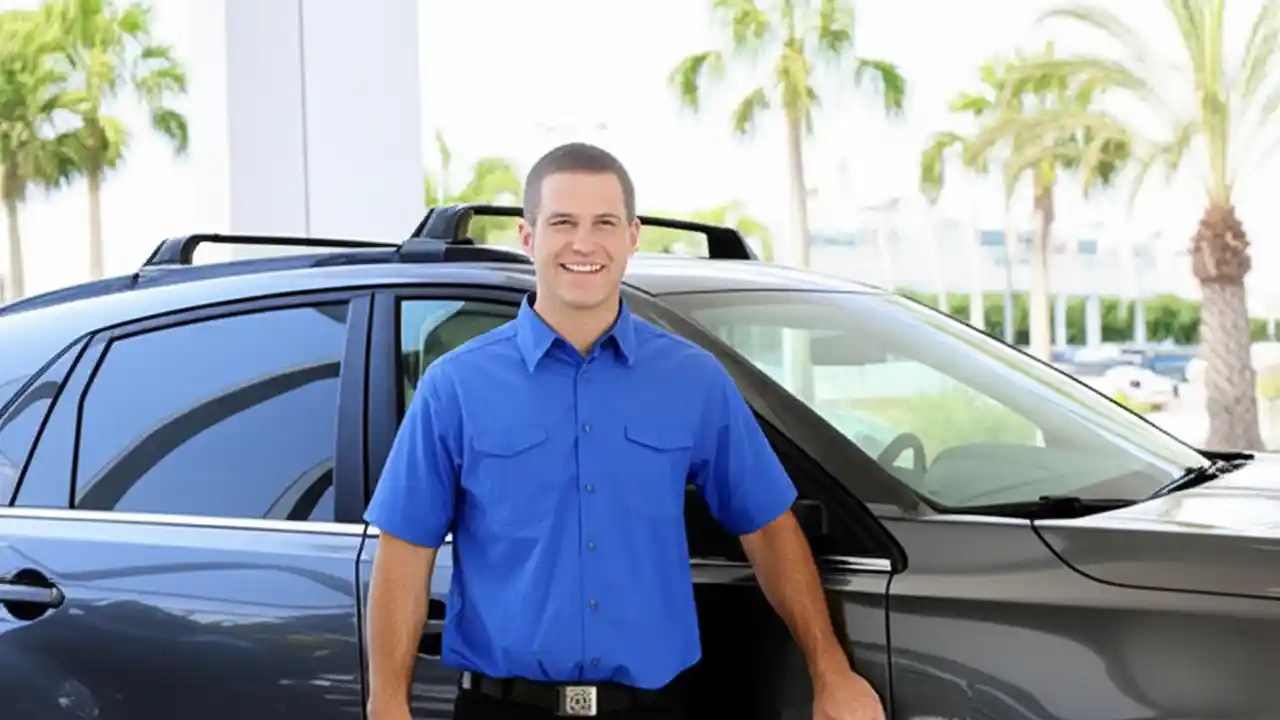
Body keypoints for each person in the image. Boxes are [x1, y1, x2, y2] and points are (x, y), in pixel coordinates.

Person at [363, 142, 885, 720]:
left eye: (604, 223)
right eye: (563, 222)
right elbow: (406, 553)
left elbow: (768, 529)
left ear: (631, 237)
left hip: (654, 709)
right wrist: (387, 704)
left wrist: (830, 671)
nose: (584, 243)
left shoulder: (693, 380)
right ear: (528, 236)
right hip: (504, 708)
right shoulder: (455, 387)